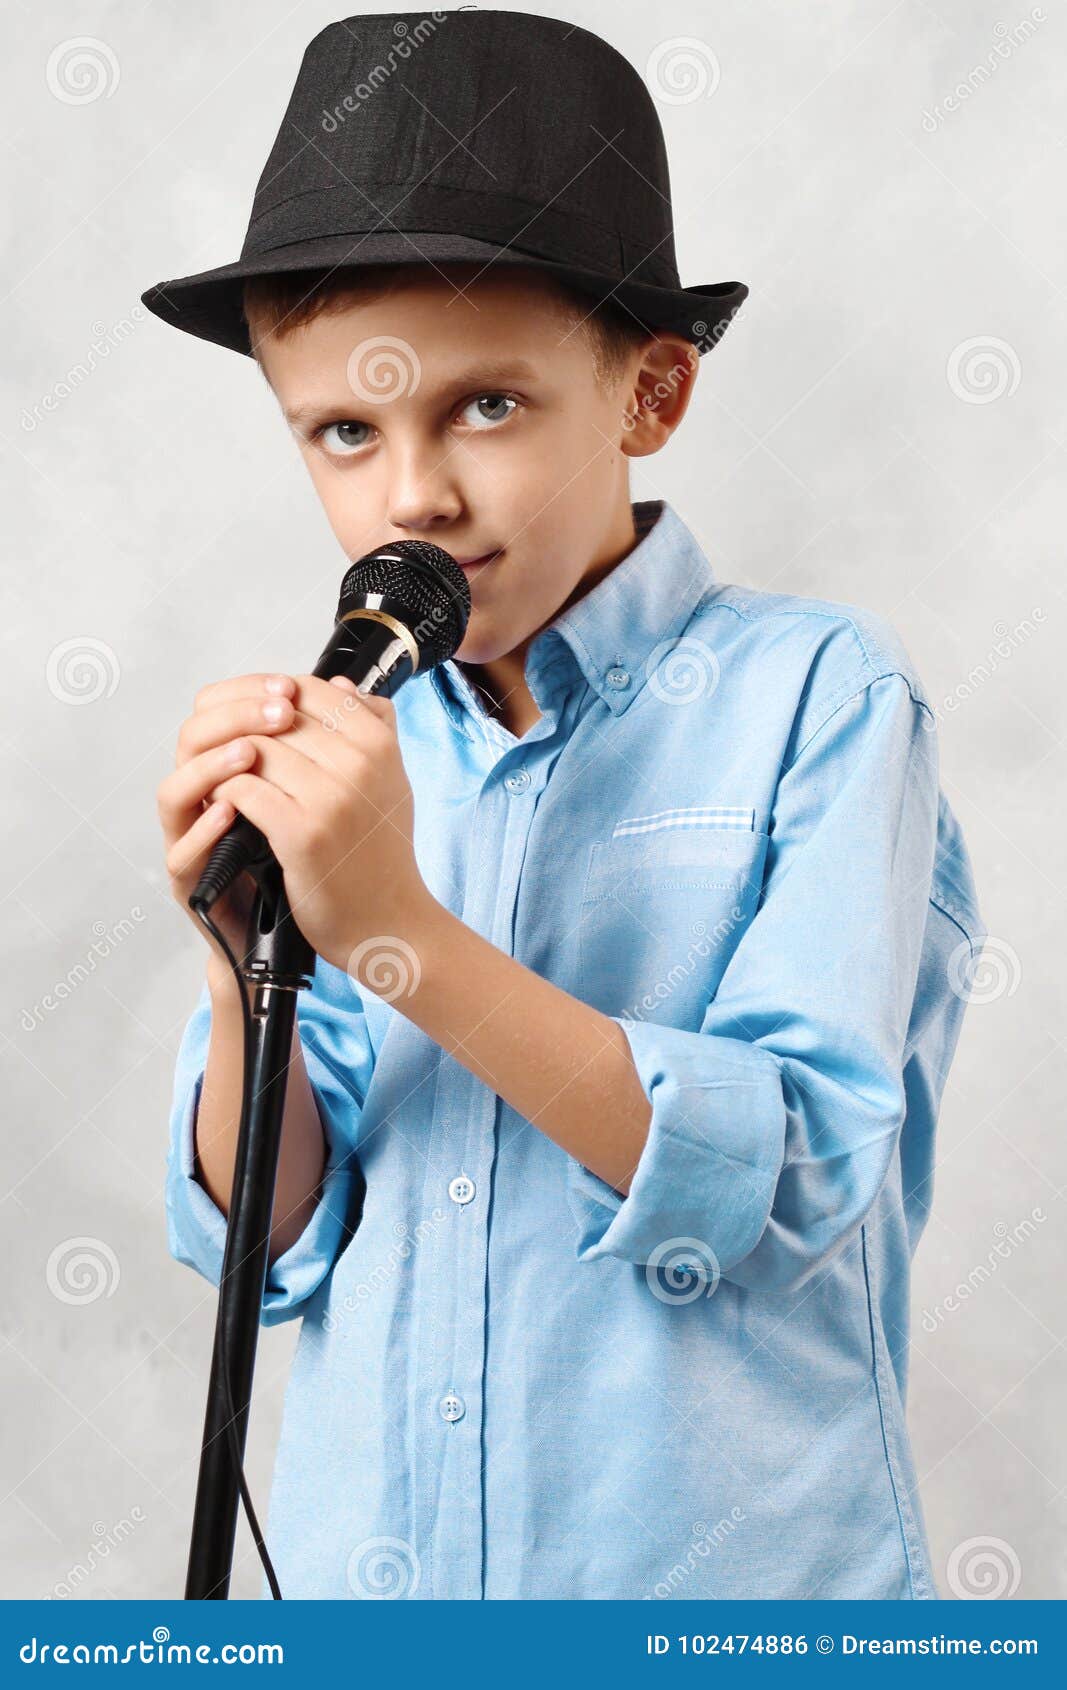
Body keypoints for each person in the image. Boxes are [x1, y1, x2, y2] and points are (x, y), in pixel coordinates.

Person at [146, 10, 987, 1600]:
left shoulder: (820, 698)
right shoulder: (355, 755)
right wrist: (241, 955)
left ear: (651, 392)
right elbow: (261, 1246)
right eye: (345, 429)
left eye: (486, 406)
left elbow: (788, 1175)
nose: (413, 495)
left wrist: (395, 932)